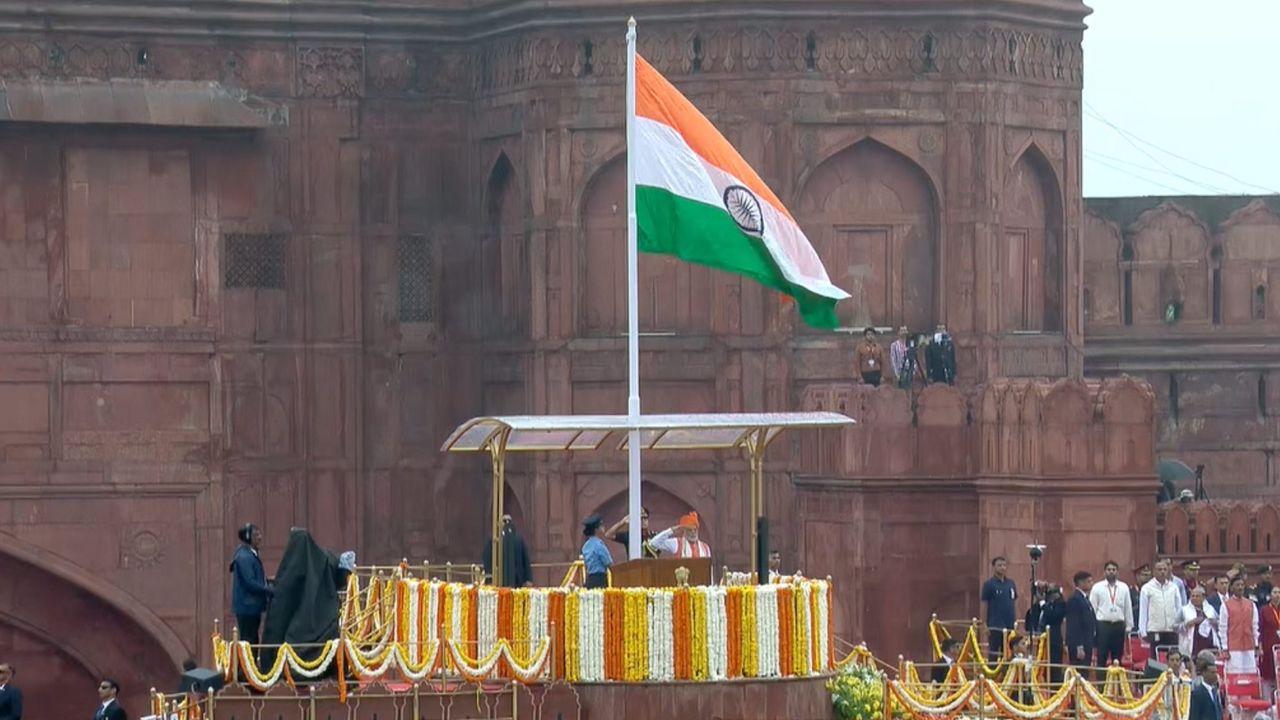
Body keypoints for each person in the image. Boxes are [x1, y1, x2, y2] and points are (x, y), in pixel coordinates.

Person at [260, 528, 355, 670]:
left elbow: (285, 594)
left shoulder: (300, 562)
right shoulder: (322, 557)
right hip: (321, 621)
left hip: (298, 628)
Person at [229, 523, 272, 647]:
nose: (260, 537)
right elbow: (250, 582)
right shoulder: (244, 557)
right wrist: (269, 590)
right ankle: (248, 666)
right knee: (249, 642)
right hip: (248, 607)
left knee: (252, 640)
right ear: (248, 537)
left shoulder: (249, 554)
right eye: (256, 534)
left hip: (251, 607)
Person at [1090, 560, 1133, 669]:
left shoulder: (1124, 587)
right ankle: (1101, 685)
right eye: (1109, 570)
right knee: (1102, 657)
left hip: (1119, 625)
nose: (1111, 572)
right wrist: (1093, 628)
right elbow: (1092, 609)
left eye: (1114, 570)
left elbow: (1128, 607)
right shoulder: (1097, 587)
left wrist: (1129, 626)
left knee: (1117, 658)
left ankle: (1116, 685)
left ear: (1117, 572)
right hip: (1103, 626)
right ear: (1104, 572)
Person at [1216, 575, 1260, 673]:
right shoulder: (1226, 605)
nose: (1240, 587)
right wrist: (1225, 648)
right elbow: (1223, 628)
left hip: (1249, 645)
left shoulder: (1251, 604)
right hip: (1233, 647)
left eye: (1242, 585)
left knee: (1250, 674)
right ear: (1232, 588)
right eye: (1237, 585)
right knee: (1235, 675)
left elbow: (1254, 626)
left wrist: (1256, 644)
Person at [1139, 560, 1181, 653]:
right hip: (1154, 630)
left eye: (1165, 569)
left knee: (1173, 659)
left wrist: (1179, 627)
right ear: (1154, 572)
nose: (1162, 572)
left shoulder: (1174, 587)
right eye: (1159, 569)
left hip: (1171, 631)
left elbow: (1179, 609)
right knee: (1156, 662)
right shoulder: (1147, 588)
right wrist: (1143, 631)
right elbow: (1143, 611)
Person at [482, 514, 533, 587]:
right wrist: (490, 577)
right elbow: (487, 559)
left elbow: (526, 560)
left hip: (517, 580)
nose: (506, 524)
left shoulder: (518, 540)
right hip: (500, 579)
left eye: (508, 521)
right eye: (505, 521)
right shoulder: (495, 540)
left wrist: (528, 579)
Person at [981, 557, 1017, 659]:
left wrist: (1015, 621)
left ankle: (1007, 673)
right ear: (994, 567)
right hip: (995, 625)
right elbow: (985, 604)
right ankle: (992, 674)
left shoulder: (1011, 584)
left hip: (1009, 624)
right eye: (999, 565)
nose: (1002, 568)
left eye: (1004, 565)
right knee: (994, 652)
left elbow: (1014, 602)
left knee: (1009, 652)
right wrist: (984, 624)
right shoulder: (989, 584)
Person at [1066, 571, 1097, 672]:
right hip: (1080, 644)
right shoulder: (1075, 599)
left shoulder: (1085, 599)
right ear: (1081, 583)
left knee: (1085, 672)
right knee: (1080, 672)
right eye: (1089, 581)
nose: (1091, 583)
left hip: (1087, 642)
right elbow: (1074, 625)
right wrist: (1079, 646)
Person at [1039, 584, 1068, 683]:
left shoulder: (1061, 604)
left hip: (1054, 640)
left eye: (1052, 592)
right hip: (1042, 639)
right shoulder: (1047, 603)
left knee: (1054, 668)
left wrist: (1043, 603)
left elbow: (1053, 617)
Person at [1179, 586, 1218, 657]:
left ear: (1203, 598)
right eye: (1192, 596)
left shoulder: (1210, 609)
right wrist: (1190, 623)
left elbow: (1219, 625)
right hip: (1192, 646)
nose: (1194, 598)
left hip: (1210, 646)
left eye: (1197, 596)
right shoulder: (1184, 610)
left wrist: (1215, 622)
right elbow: (1175, 627)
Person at [1188, 653, 1223, 720]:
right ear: (1204, 673)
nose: (1215, 675)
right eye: (1212, 672)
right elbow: (1194, 715)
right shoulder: (1197, 693)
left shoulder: (1215, 691)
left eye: (1216, 672)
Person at [580, 514, 612, 589]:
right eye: (601, 526)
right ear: (596, 530)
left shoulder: (586, 545)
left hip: (590, 578)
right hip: (600, 579)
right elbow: (608, 562)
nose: (603, 528)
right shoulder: (599, 545)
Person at [1259, 586, 1280, 697]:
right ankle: (1268, 701)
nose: (1277, 595)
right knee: (1268, 675)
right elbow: (1260, 629)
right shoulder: (1264, 610)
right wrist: (1260, 646)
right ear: (1270, 595)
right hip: (1268, 646)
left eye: (1279, 592)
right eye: (1275, 592)